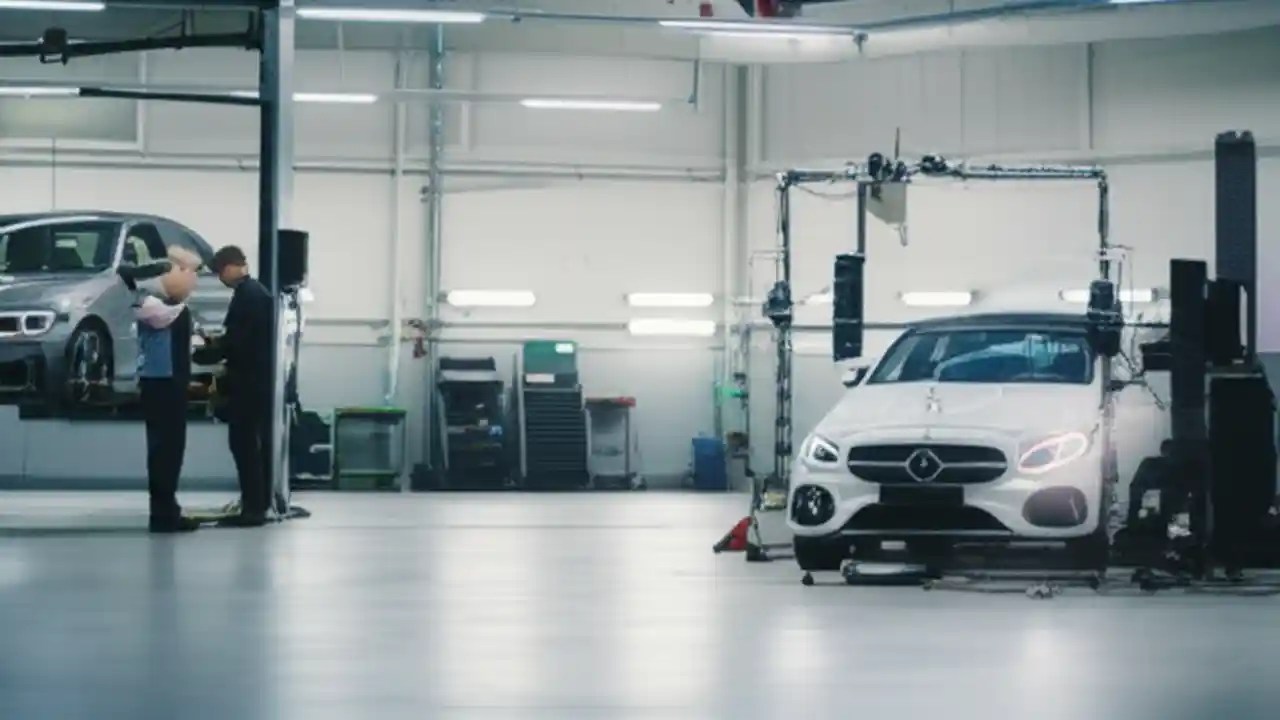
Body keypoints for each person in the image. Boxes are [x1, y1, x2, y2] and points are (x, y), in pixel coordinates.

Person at [130, 247, 201, 533]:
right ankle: (162, 513)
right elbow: (164, 316)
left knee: (170, 451)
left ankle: (166, 508)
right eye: (187, 273)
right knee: (164, 451)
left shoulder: (163, 306)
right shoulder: (149, 302)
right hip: (161, 384)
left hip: (170, 383)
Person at [207, 245, 275, 527]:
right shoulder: (254, 293)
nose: (221, 278)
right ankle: (253, 504)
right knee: (247, 446)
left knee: (244, 446)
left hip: (249, 384)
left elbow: (239, 341)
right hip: (254, 382)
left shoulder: (249, 296)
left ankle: (253, 509)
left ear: (233, 266)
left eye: (221, 271)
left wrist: (214, 349)